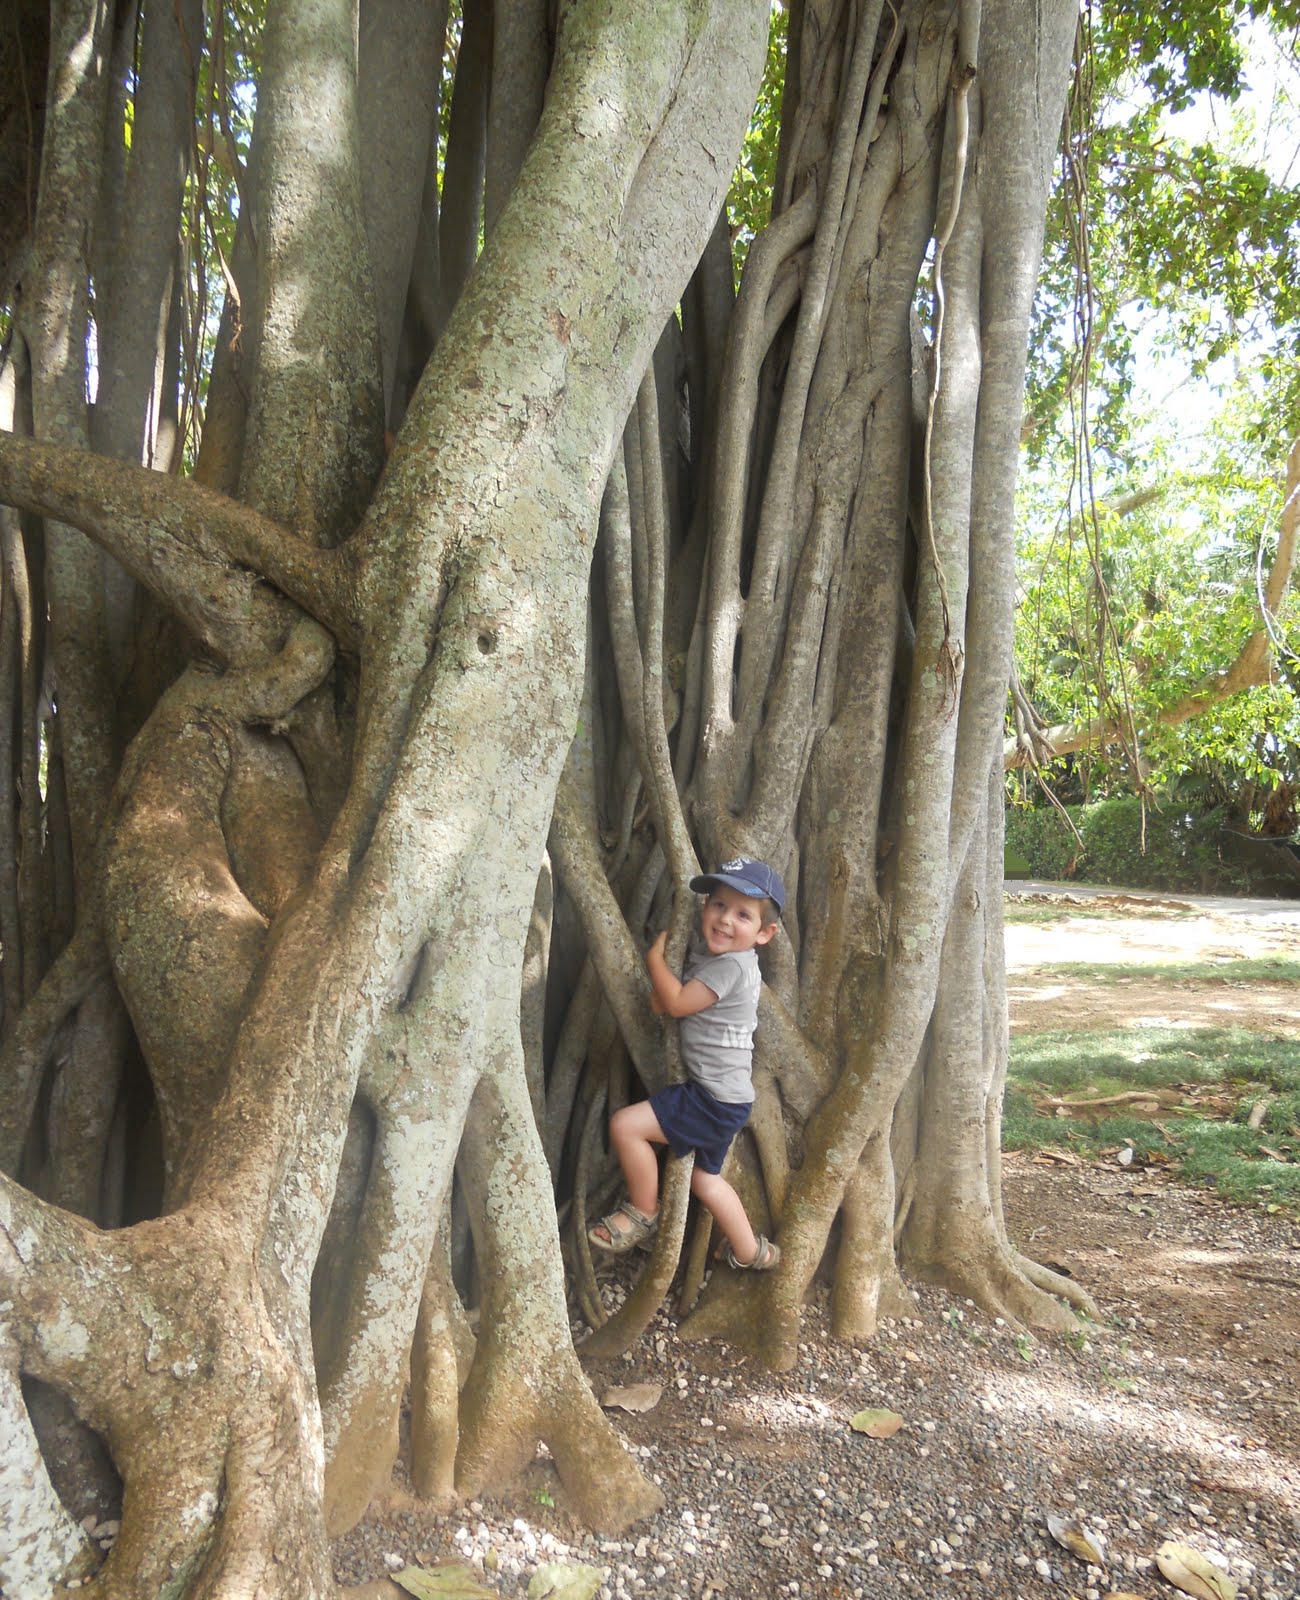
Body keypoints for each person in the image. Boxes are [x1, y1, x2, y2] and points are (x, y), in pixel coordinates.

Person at [587, 857, 784, 1271]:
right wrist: (669, 989)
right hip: (730, 1100)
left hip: (709, 1099)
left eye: (743, 915)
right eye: (718, 905)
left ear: (765, 933)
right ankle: (752, 1252)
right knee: (705, 1180)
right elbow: (668, 1002)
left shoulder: (730, 966)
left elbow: (674, 1003)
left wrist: (655, 959)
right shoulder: (723, 960)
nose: (726, 920)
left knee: (626, 1126)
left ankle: (643, 1213)